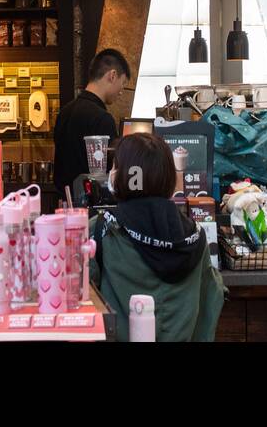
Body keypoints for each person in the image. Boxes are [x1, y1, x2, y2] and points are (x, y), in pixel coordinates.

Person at [90, 133, 224, 341]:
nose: (112, 173)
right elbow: (210, 303)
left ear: (124, 176)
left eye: (115, 167)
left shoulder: (102, 229)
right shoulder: (197, 235)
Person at [53, 48, 130, 198]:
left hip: (64, 203)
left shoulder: (64, 112)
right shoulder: (102, 118)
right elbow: (109, 174)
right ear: (112, 75)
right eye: (123, 85)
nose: (121, 92)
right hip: (90, 207)